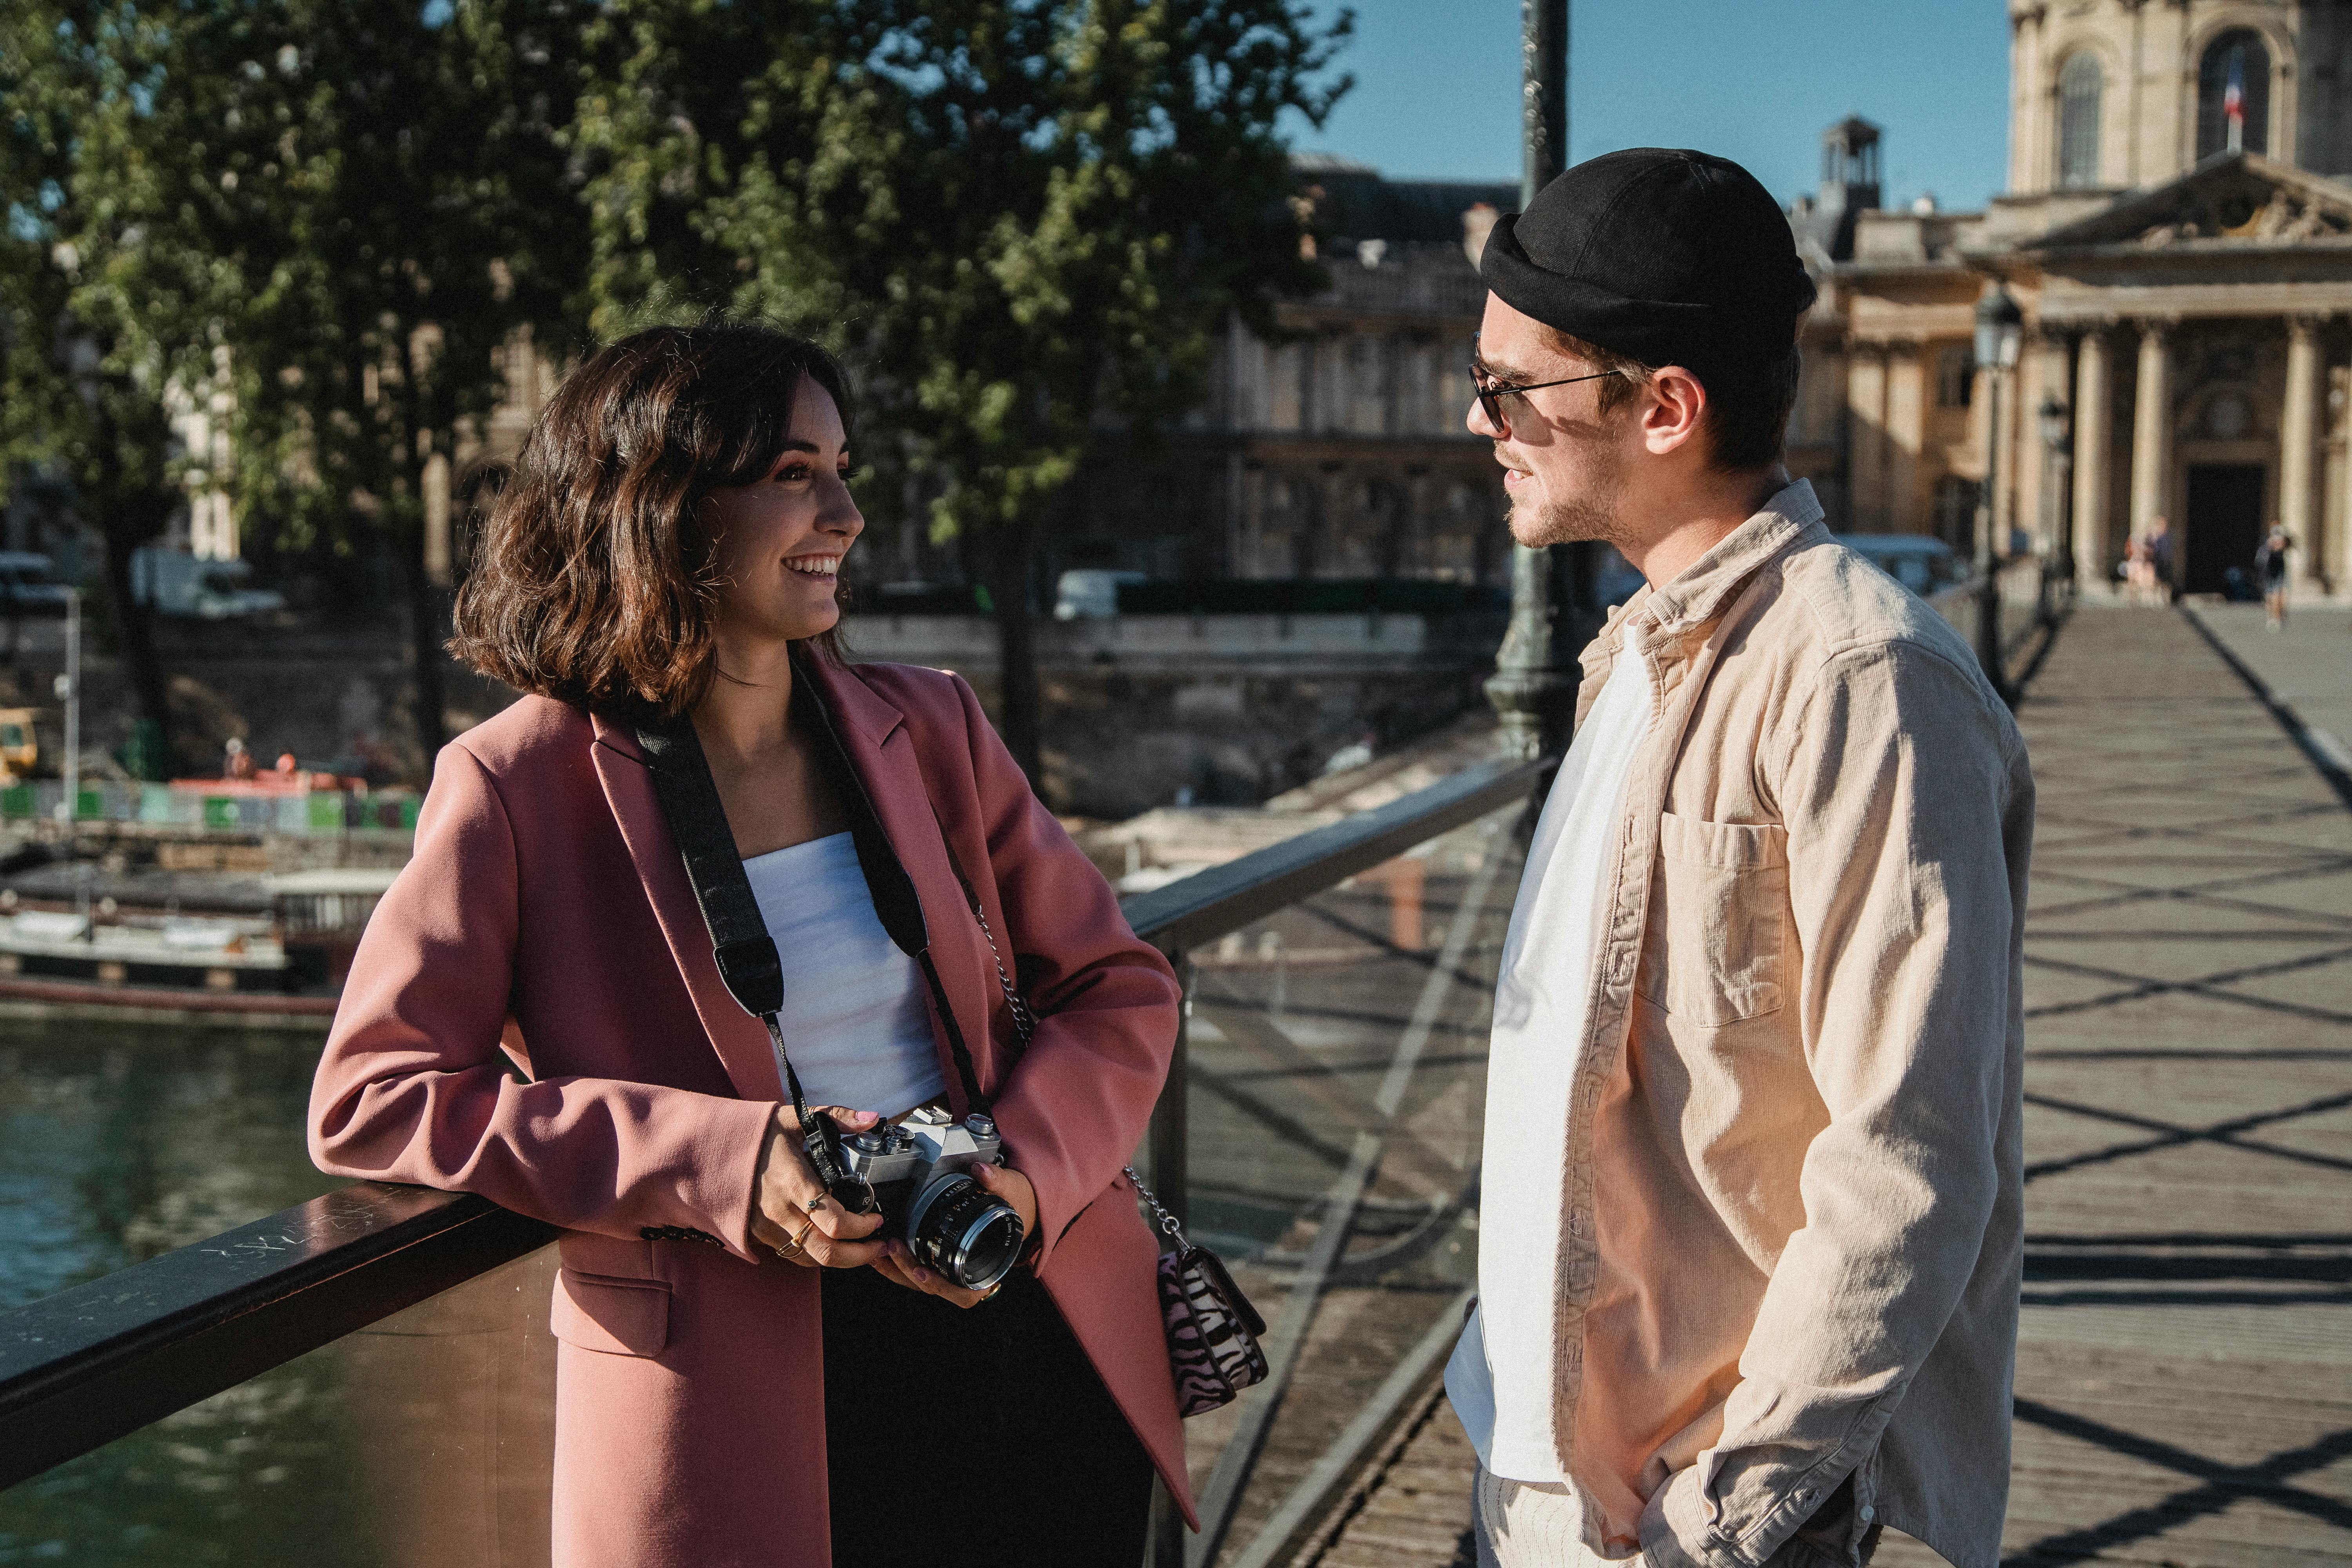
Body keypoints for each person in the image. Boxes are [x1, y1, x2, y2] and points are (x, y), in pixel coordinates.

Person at [306, 324, 1188, 1568]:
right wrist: (722, 1163)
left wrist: (1024, 1171)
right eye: (789, 472)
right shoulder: (513, 782)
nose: (844, 510)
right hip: (726, 1399)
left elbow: (1118, 986)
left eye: (840, 464)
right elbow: (374, 1100)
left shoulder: (928, 722)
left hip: (1009, 1305)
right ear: (658, 507)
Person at [1447, 149, 2031, 1568]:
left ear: (1663, 407)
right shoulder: (1634, 653)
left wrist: (1732, 1511)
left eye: (1514, 389)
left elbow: (1908, 1149)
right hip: (1533, 1469)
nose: (1480, 423)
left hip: (1692, 1513)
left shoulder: (1864, 682)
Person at [2257, 524, 2293, 630]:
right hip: (2274, 568)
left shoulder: (2270, 539)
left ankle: (2273, 618)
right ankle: (2276, 618)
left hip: (2271, 568)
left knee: (2272, 593)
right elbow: (2287, 546)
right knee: (2275, 592)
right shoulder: (2281, 539)